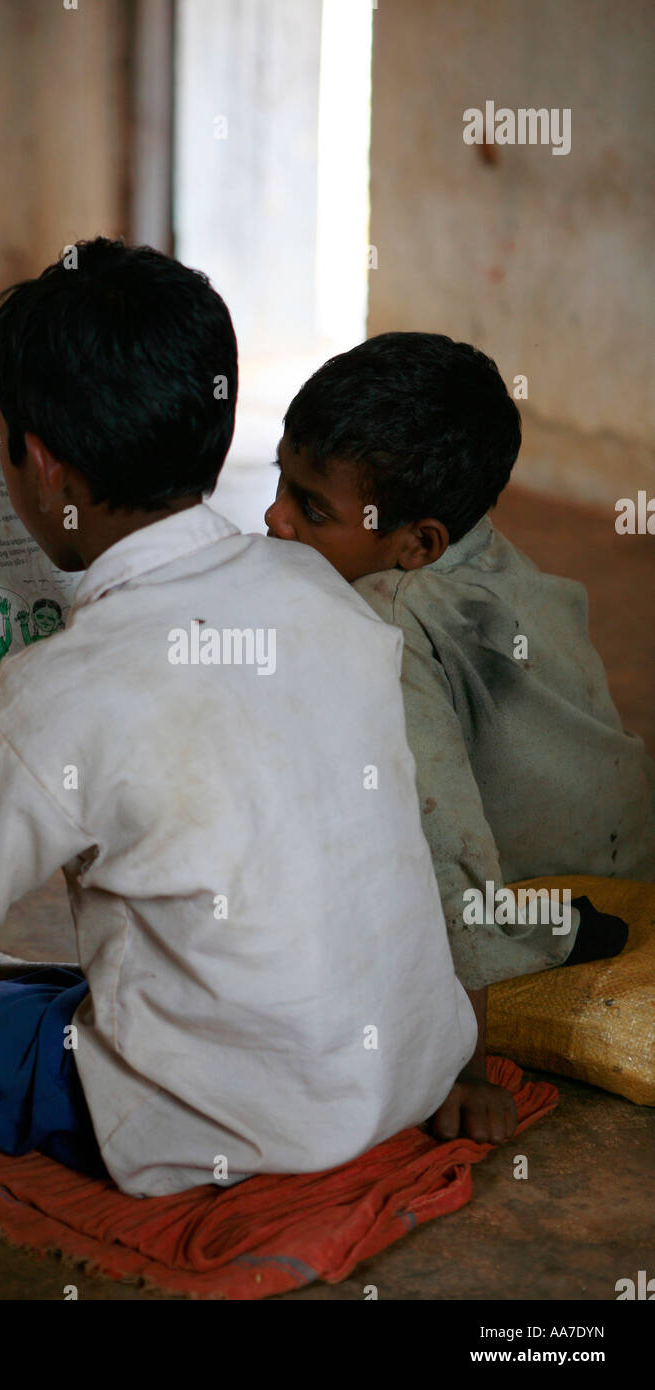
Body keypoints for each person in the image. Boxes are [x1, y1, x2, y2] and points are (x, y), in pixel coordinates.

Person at [0, 245, 477, 1197]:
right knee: (18, 974)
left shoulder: (53, 691)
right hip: (398, 1066)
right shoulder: (320, 588)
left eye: (1, 442)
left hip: (222, 1115)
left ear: (45, 467)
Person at [265, 331, 655, 1143]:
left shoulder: (389, 622)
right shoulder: (483, 557)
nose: (273, 519)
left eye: (311, 509)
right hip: (626, 844)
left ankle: (559, 934)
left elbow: (445, 849)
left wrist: (461, 1065)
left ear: (418, 544)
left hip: (546, 895)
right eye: (280, 481)